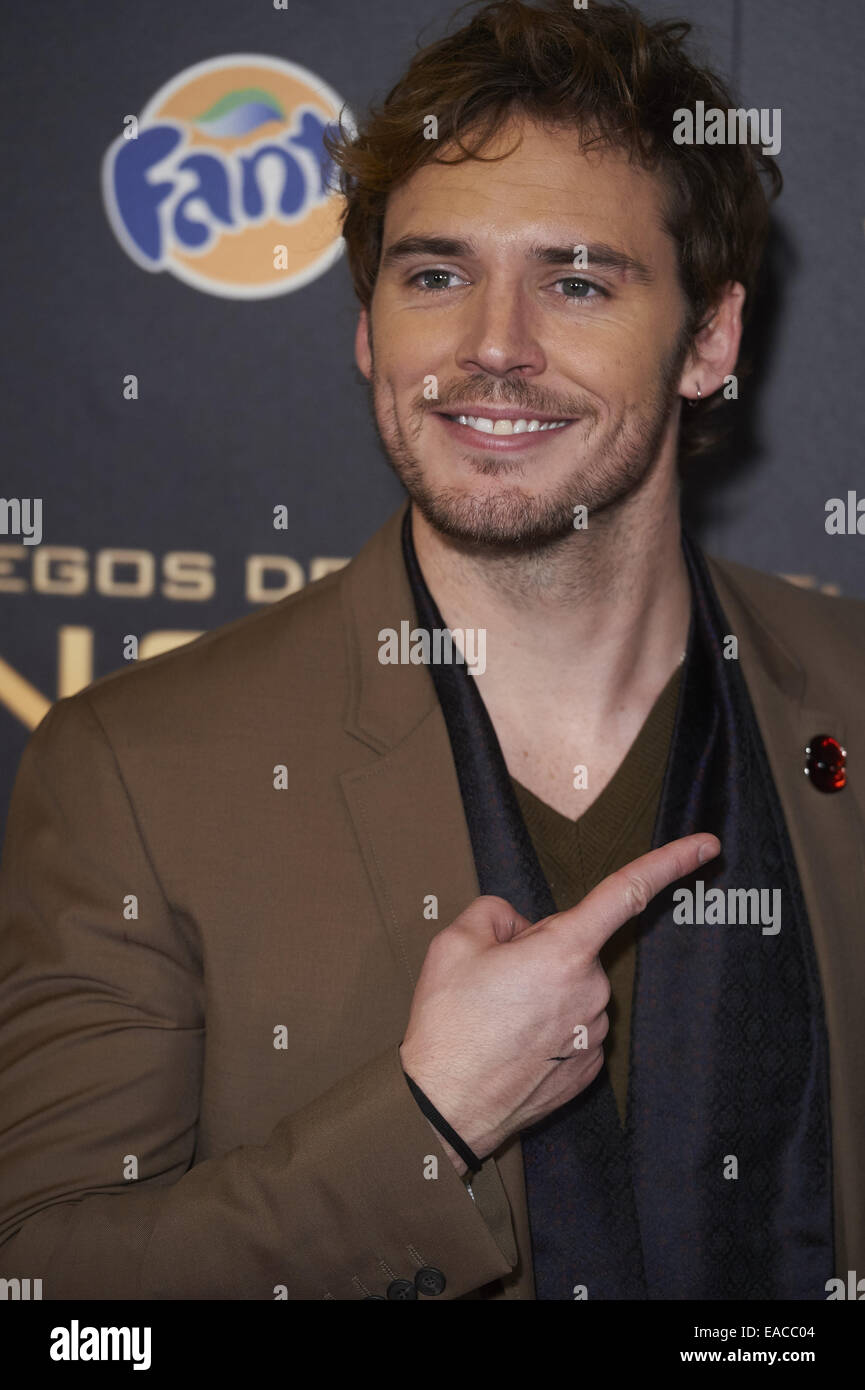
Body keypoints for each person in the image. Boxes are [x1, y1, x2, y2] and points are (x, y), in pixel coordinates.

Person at [0, 0, 862, 1301]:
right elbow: (50, 1306)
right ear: (365, 327)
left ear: (710, 340)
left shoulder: (849, 696)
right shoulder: (134, 770)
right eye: (435, 275)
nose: (491, 347)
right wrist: (425, 1121)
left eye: (575, 280)